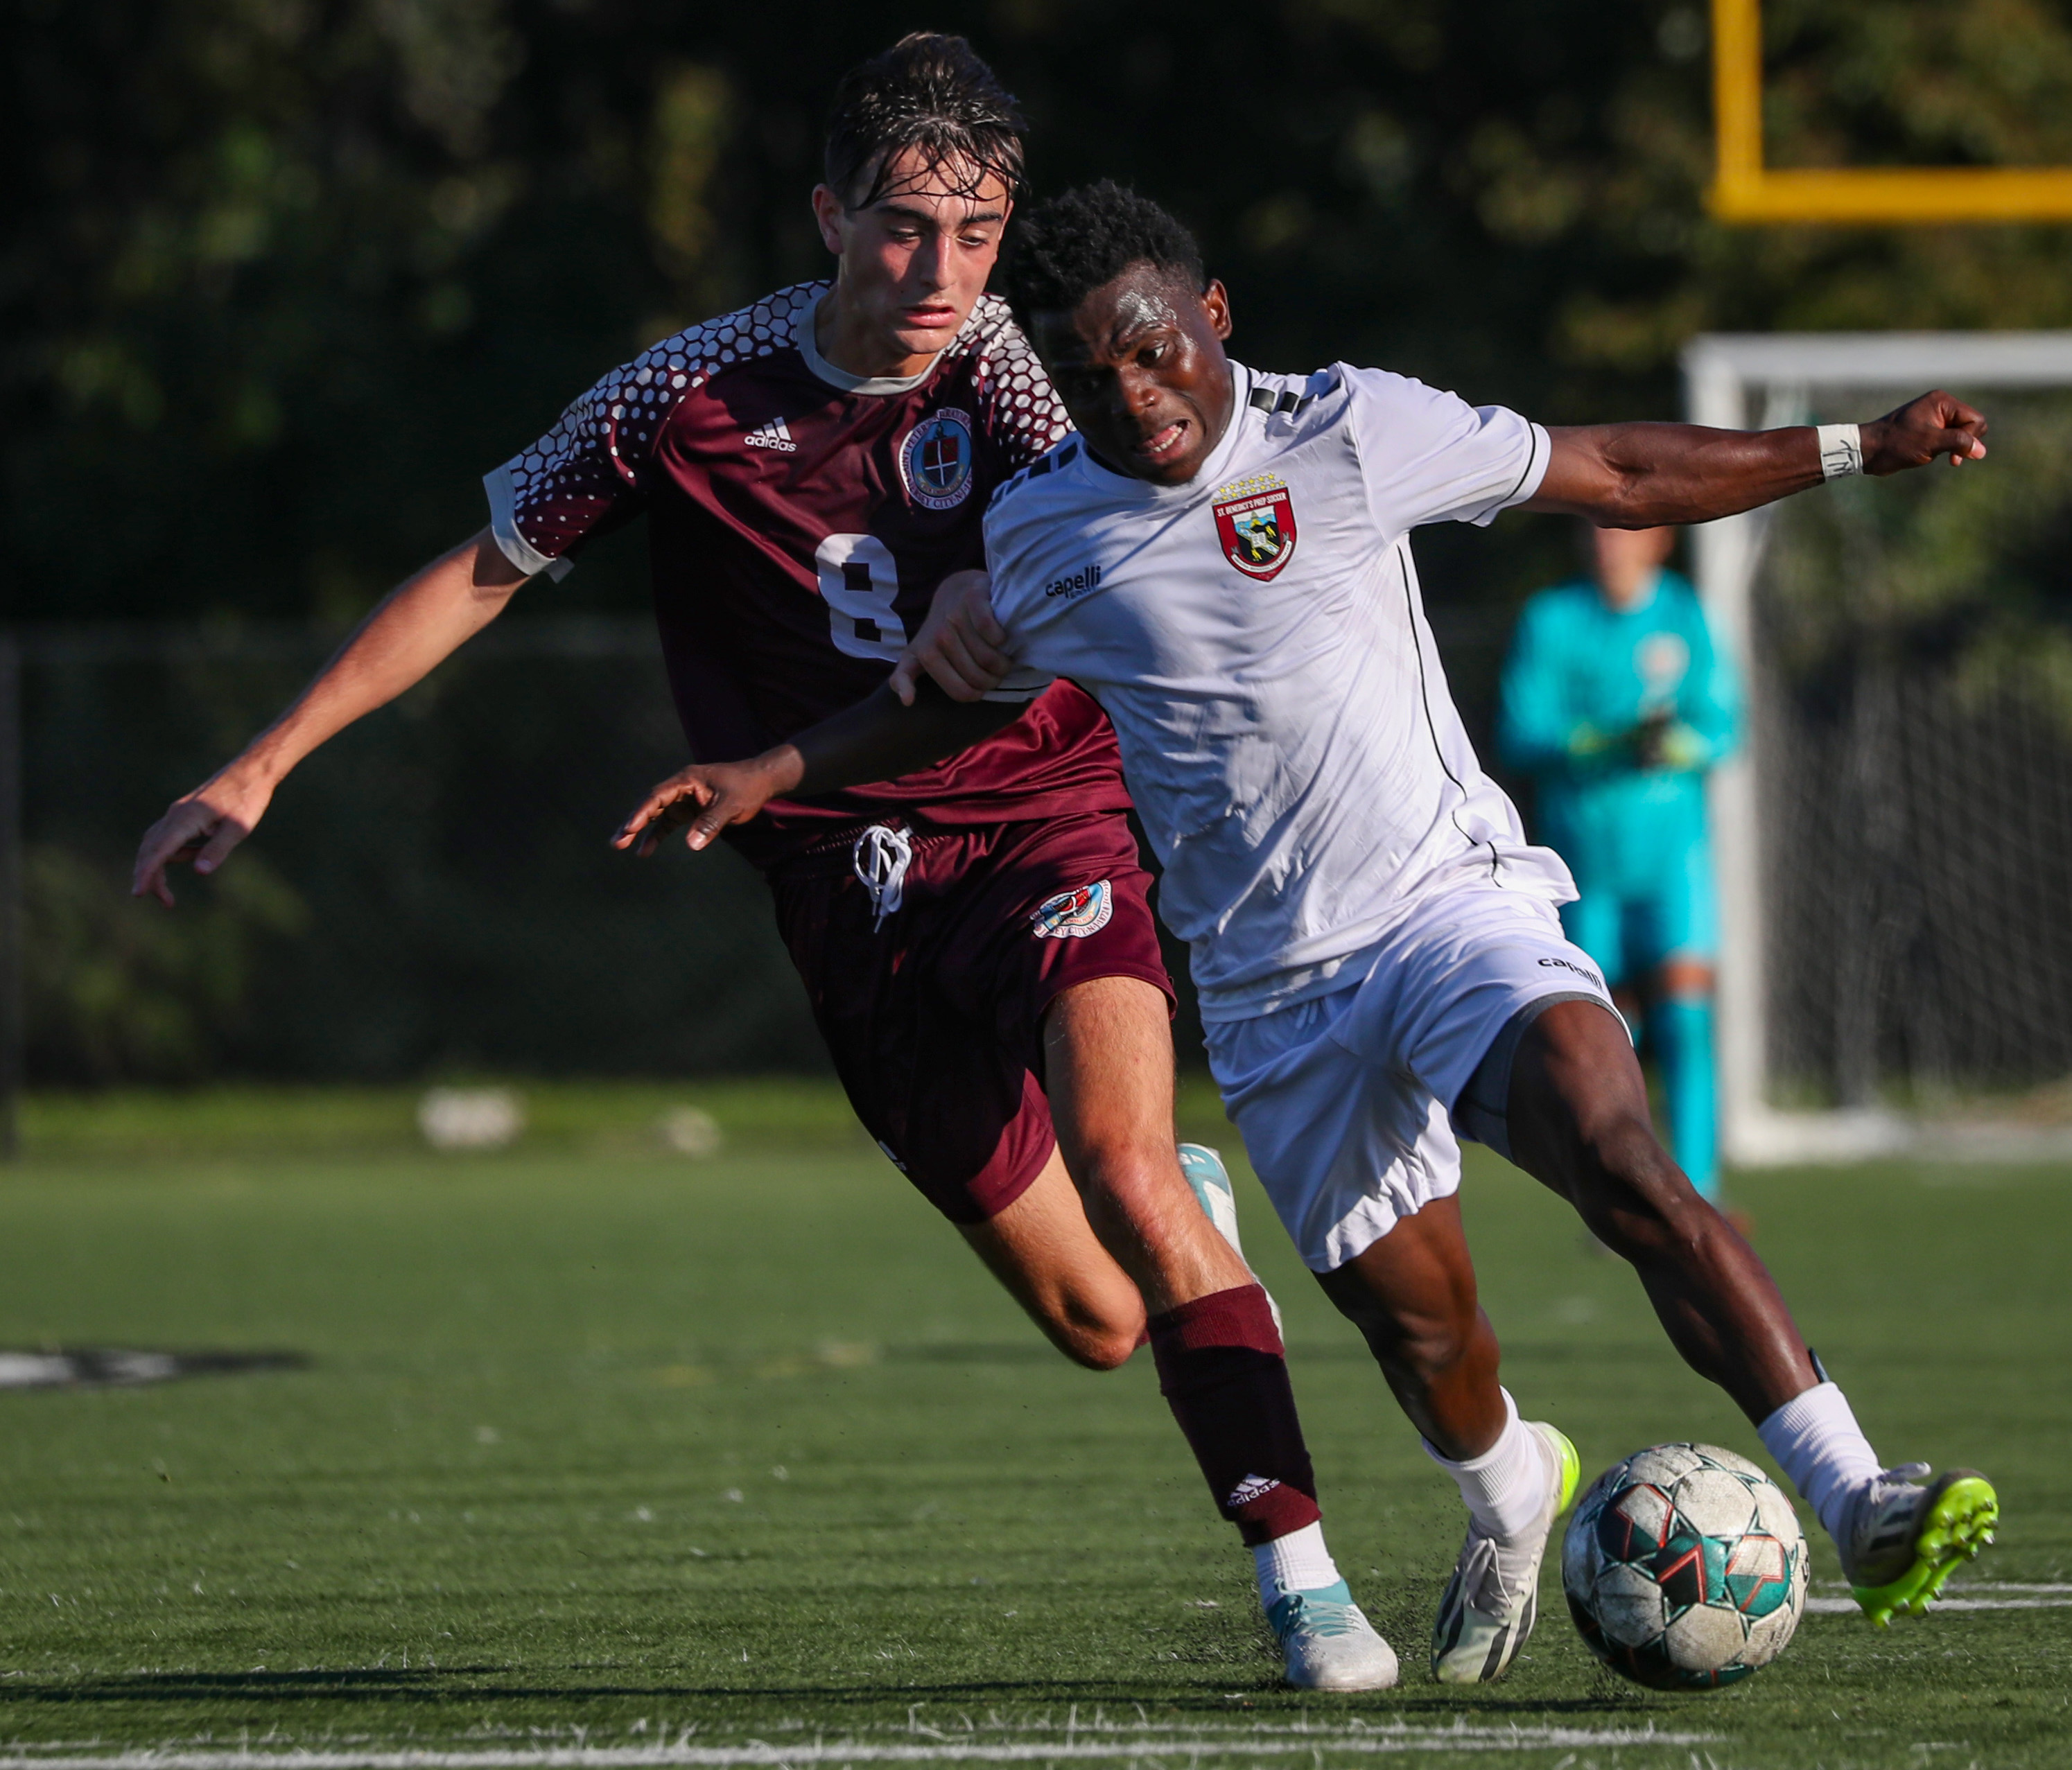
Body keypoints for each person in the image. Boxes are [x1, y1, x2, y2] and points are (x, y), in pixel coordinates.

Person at [617, 182, 2000, 1685]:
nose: (1131, 399)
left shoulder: (1350, 429)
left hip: (1448, 908)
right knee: (1435, 1345)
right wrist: (774, 767)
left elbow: (1613, 469)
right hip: (1277, 1001)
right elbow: (949, 704)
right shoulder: (1038, 532)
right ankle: (1508, 1488)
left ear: (1214, 318)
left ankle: (1859, 1490)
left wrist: (1857, 445)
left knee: (1618, 1153)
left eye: (1153, 353)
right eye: (1088, 379)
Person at [130, 49, 1393, 1692]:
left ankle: (1301, 1575)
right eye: (902, 228)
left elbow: (1170, 487)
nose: (941, 273)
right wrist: (263, 758)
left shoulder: (1014, 376)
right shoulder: (687, 396)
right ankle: (1168, 1222)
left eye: (980, 231)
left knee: (1133, 1164)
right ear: (826, 214)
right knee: (1097, 1318)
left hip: (1045, 817)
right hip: (843, 878)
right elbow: (482, 566)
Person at [1498, 527, 1739, 1202]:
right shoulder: (1551, 618)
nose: (1606, 539)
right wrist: (1607, 739)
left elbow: (1724, 726)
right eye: (1595, 524)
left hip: (1672, 862)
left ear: (1658, 539)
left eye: (1623, 526)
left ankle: (1699, 1193)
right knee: (1602, 1035)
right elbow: (1521, 732)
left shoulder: (1682, 612)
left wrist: (1675, 746)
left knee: (1686, 1019)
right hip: (1583, 866)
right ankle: (1616, 1190)